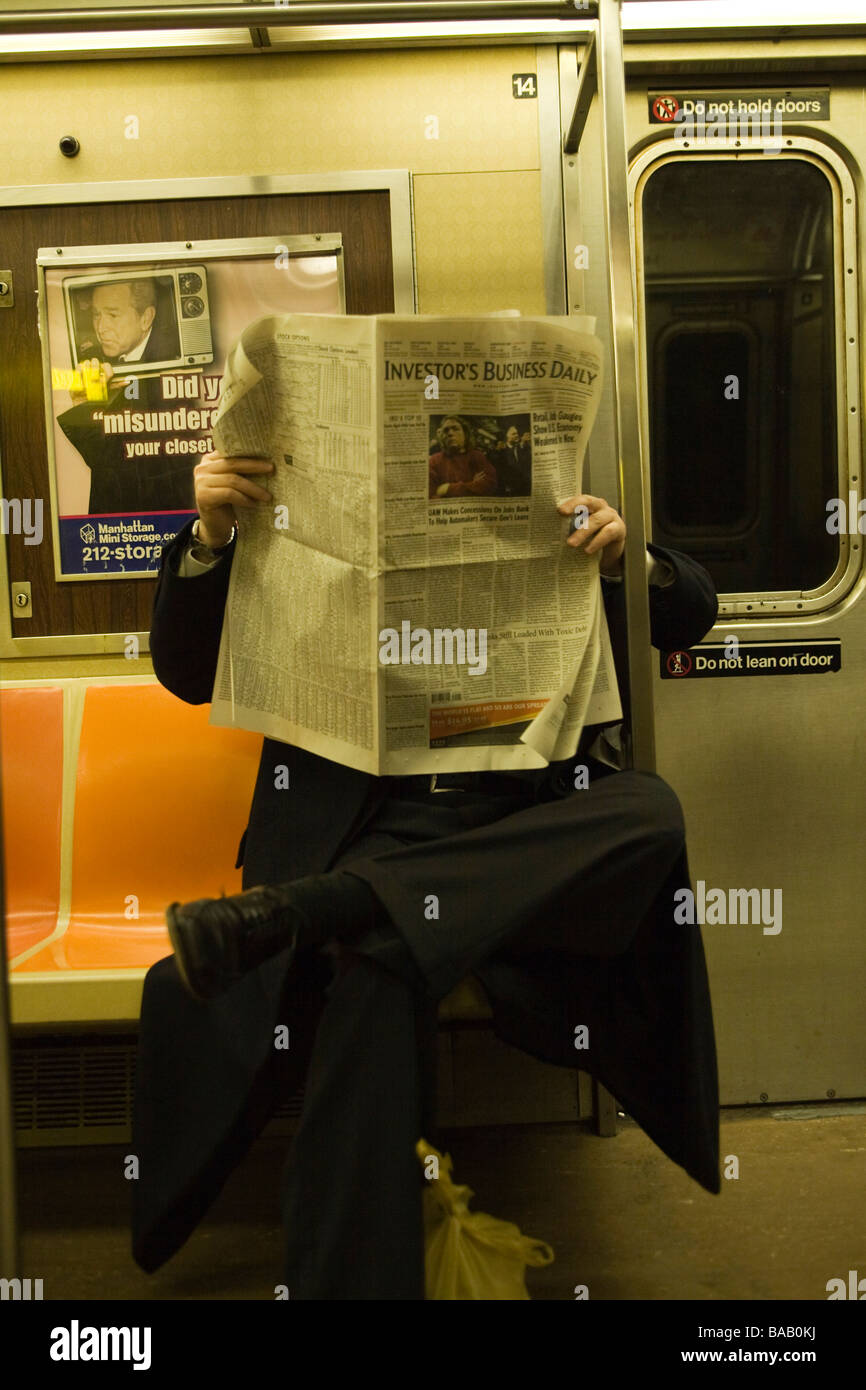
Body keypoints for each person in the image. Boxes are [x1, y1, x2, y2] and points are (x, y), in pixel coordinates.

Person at [131, 450, 721, 1300]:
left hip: (521, 835)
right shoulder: (283, 533)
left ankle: (316, 911)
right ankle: (352, 908)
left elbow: (692, 616)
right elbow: (185, 673)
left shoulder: (563, 524)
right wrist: (212, 535)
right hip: (371, 830)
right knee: (380, 962)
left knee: (648, 813)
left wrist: (631, 558)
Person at [56, 280, 192, 515]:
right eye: (96, 315)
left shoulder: (173, 368)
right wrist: (85, 404)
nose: (101, 327)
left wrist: (86, 407)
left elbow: (123, 469)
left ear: (146, 319)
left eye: (113, 315)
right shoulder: (93, 361)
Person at [428, 416, 498, 498]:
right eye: (446, 430)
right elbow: (430, 494)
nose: (450, 433)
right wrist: (472, 484)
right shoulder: (434, 461)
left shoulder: (477, 456)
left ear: (465, 434)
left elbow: (489, 485)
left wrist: (447, 488)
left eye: (455, 429)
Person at [493, 424, 532, 496]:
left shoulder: (520, 449)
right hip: (511, 489)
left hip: (524, 487)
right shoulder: (501, 452)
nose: (517, 435)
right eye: (513, 434)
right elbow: (500, 472)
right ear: (507, 436)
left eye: (517, 433)